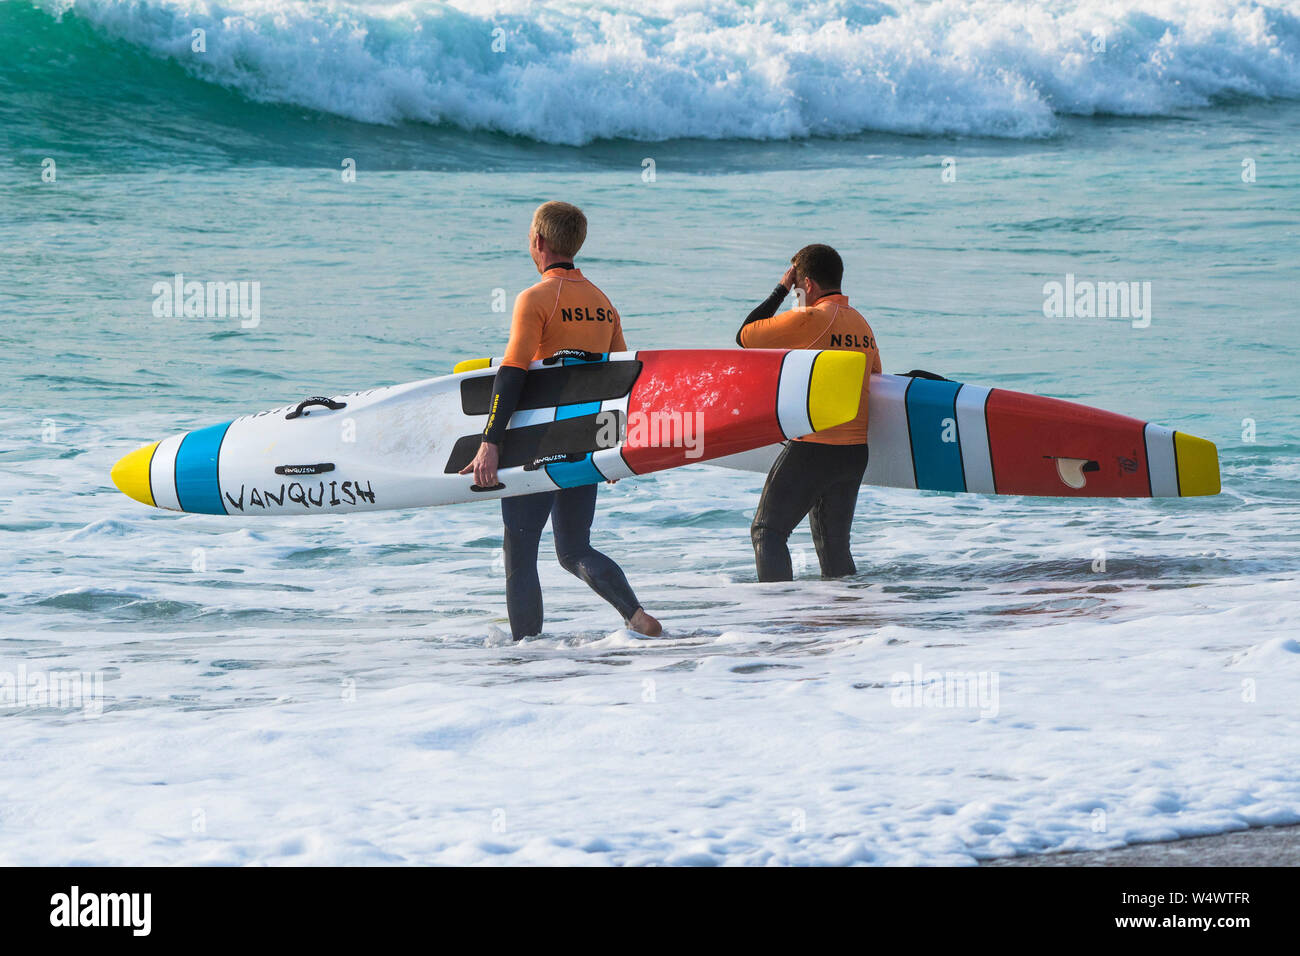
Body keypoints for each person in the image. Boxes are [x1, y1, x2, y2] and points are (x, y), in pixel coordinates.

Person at [460, 201, 661, 639]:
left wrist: (490, 440)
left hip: (535, 442)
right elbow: (619, 380)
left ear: (539, 241)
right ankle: (635, 615)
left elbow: (513, 372)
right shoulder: (604, 305)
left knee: (521, 553)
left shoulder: (534, 299)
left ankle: (527, 652)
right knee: (573, 549)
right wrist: (613, 444)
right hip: (585, 438)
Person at [735, 244, 881, 581]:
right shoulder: (861, 324)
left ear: (809, 285)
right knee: (834, 547)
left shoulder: (811, 317)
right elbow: (875, 377)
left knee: (767, 532)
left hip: (815, 446)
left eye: (797, 286)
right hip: (854, 452)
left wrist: (781, 289)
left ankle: (781, 621)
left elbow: (746, 336)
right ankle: (847, 620)